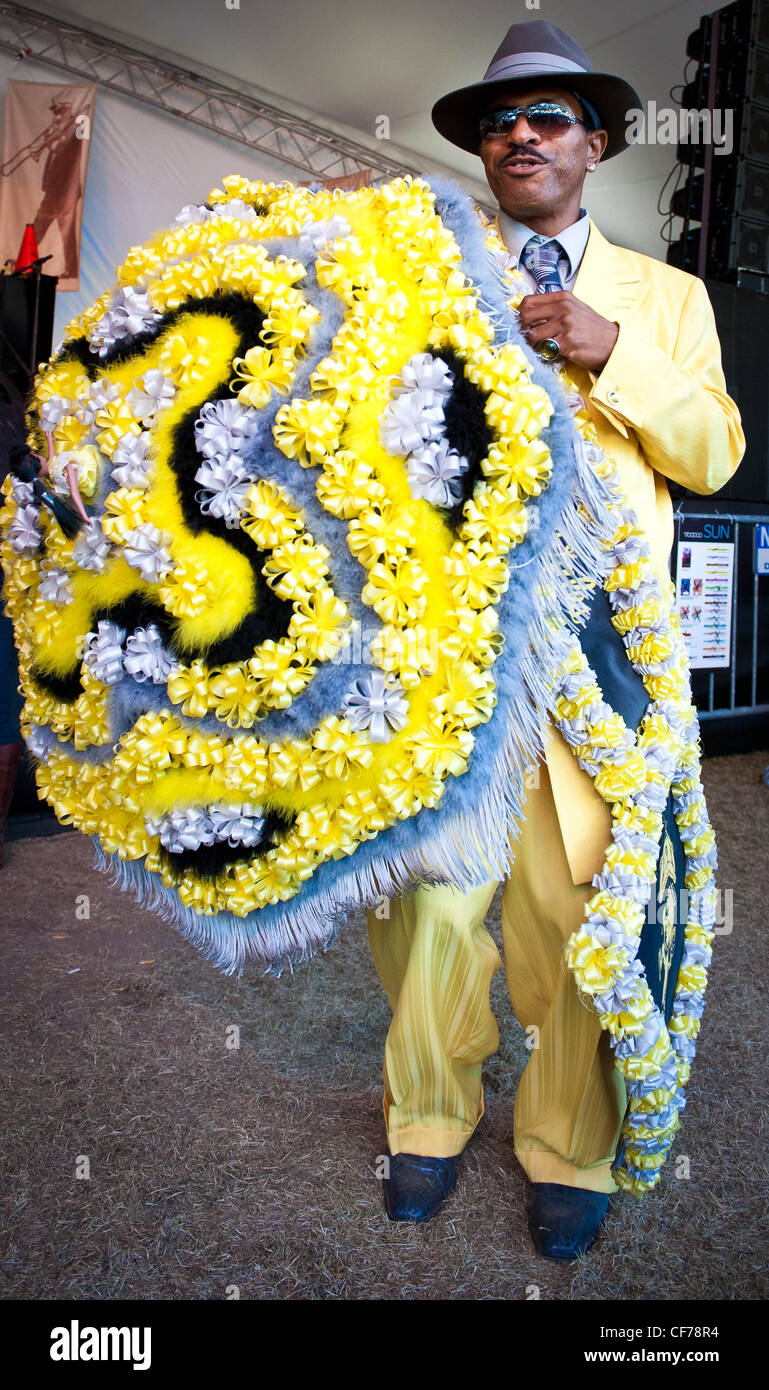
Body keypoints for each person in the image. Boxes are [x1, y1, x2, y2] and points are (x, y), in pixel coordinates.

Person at [366, 19, 745, 1260]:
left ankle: (565, 1143)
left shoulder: (667, 298)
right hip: (449, 654)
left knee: (576, 904)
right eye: (496, 122)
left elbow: (713, 452)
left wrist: (611, 351)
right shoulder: (423, 275)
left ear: (595, 141)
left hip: (601, 663)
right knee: (429, 906)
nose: (515, 135)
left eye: (543, 117)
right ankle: (424, 1119)